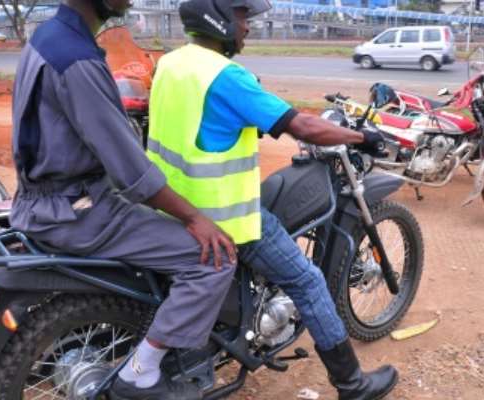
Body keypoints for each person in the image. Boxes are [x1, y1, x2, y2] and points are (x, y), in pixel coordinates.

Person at [144, 0, 399, 399]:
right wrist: (362, 137)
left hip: (170, 207)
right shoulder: (227, 76)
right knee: (307, 280)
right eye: (243, 16)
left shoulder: (170, 64)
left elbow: (198, 122)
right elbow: (303, 126)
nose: (247, 27)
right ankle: (353, 384)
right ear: (221, 17)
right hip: (225, 219)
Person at [11, 0, 242, 398]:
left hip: (39, 199)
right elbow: (132, 174)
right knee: (214, 258)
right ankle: (141, 373)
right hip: (80, 210)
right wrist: (194, 218)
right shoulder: (78, 60)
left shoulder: (48, 37)